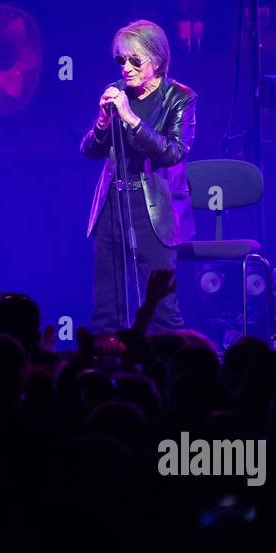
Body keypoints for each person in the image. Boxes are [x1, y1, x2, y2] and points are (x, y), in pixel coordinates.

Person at [81, 20, 196, 333]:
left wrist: (132, 120)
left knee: (160, 307)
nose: (126, 68)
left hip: (156, 208)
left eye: (135, 60)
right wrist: (103, 122)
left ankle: (168, 367)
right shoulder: (117, 93)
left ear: (157, 61)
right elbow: (89, 151)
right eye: (121, 60)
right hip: (113, 203)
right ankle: (107, 368)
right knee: (107, 304)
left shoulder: (179, 98)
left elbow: (173, 152)